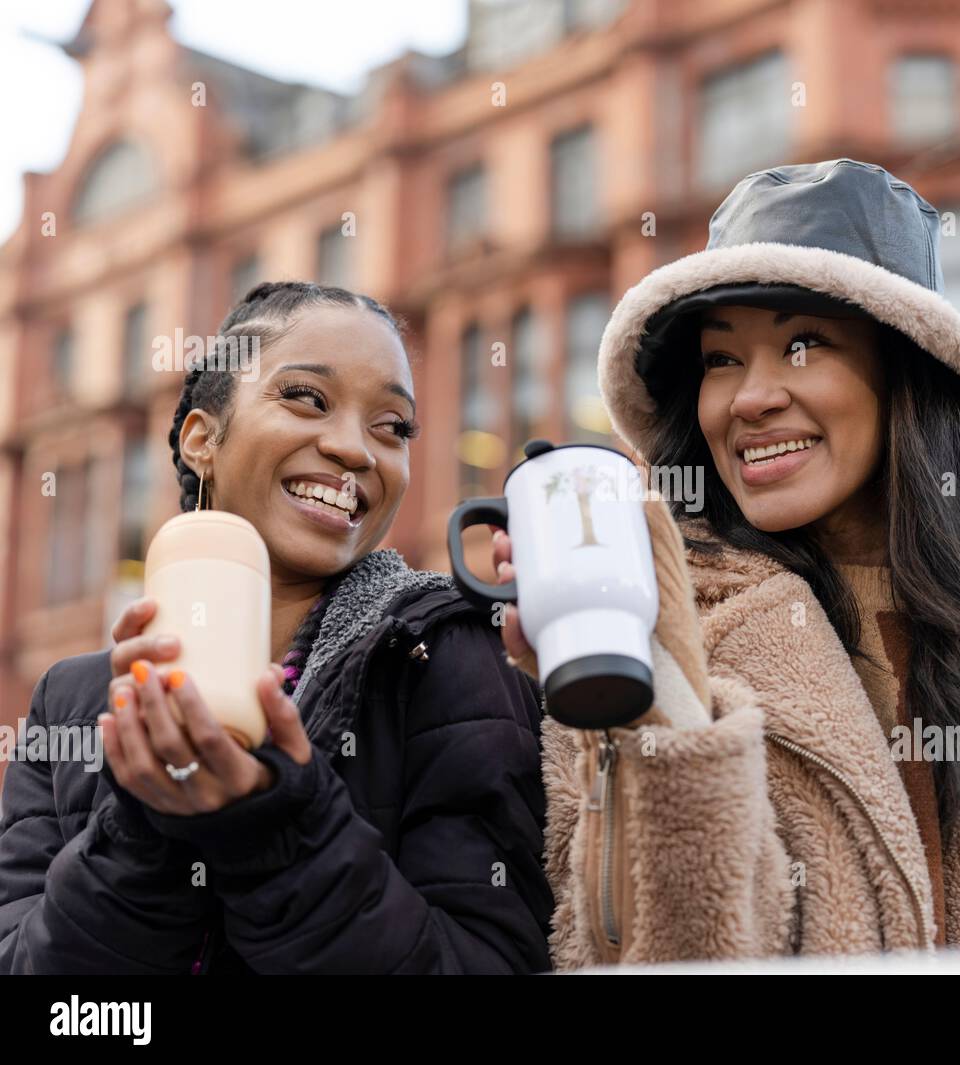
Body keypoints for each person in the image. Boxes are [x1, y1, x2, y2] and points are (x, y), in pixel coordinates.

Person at [494, 159, 960, 965]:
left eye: (802, 344)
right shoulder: (639, 621)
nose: (751, 397)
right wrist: (656, 703)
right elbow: (637, 949)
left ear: (907, 373)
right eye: (721, 360)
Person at [0, 281, 553, 974]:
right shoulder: (72, 701)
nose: (356, 449)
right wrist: (142, 829)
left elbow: (486, 962)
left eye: (393, 427)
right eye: (307, 398)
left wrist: (277, 826)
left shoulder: (447, 651)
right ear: (203, 438)